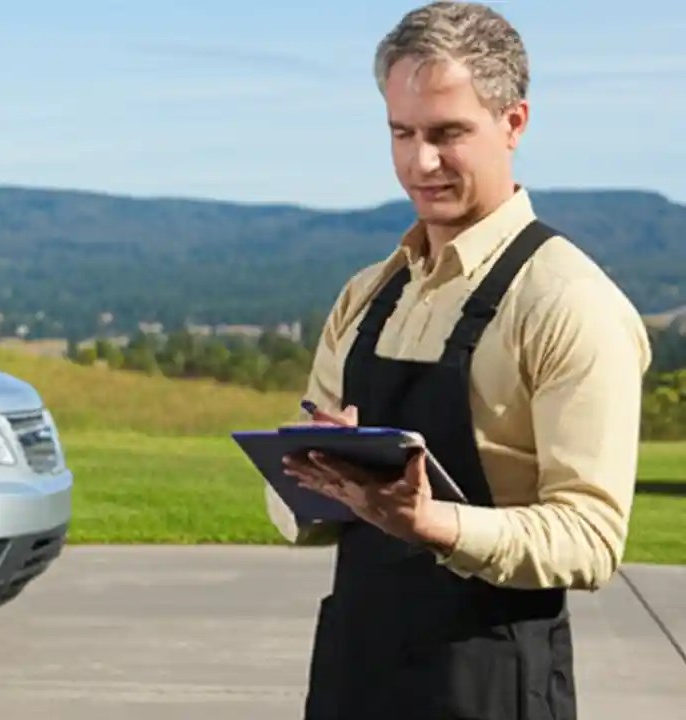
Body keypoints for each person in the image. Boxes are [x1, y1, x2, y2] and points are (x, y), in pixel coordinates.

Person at [269, 2, 652, 719]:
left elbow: (591, 538)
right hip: (356, 669)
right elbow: (292, 508)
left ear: (514, 123)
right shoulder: (368, 294)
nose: (421, 162)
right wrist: (315, 476)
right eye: (402, 133)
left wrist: (432, 522)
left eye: (449, 134)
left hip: (489, 681)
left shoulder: (568, 302)